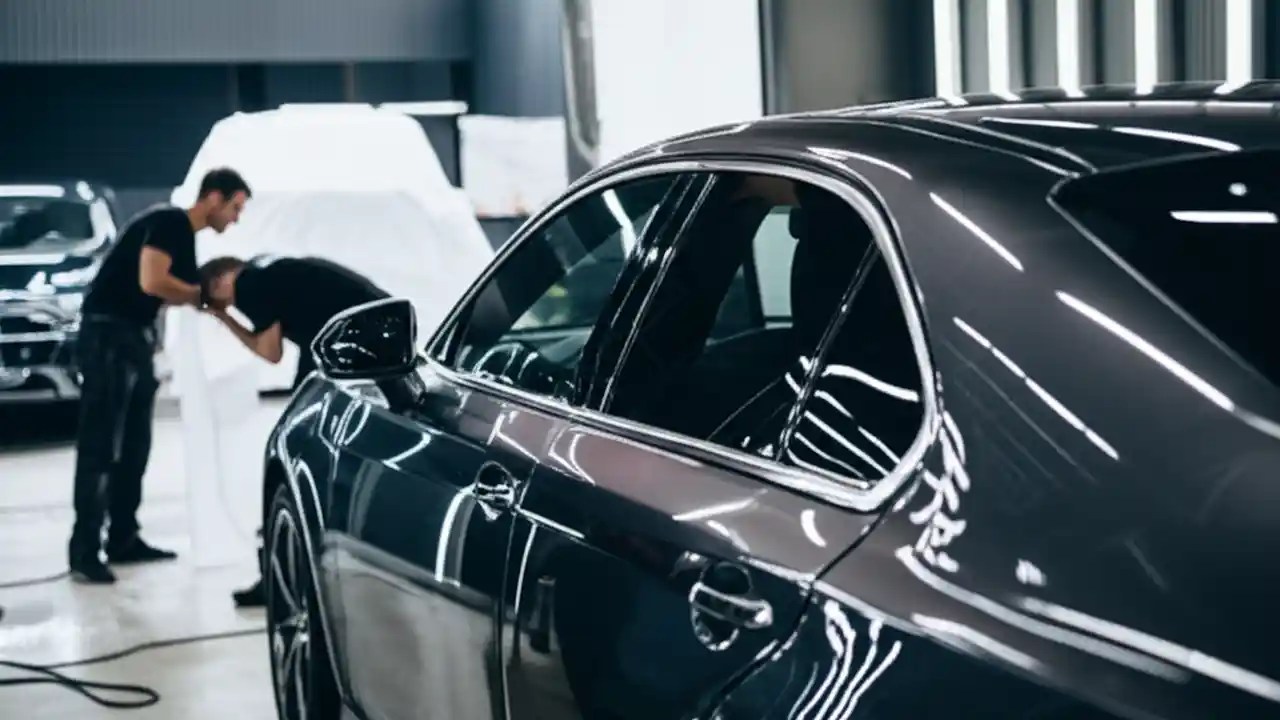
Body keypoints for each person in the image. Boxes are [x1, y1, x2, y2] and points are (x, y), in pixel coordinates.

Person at [70, 168, 251, 584]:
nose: (235, 218)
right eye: (235, 207)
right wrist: (206, 297)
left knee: (134, 446)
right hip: (109, 338)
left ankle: (123, 537)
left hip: (132, 338)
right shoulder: (171, 222)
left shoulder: (180, 235)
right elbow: (152, 281)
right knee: (102, 447)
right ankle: (84, 550)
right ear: (213, 198)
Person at [198, 254, 389, 606]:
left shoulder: (250, 283)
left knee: (297, 455)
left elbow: (268, 351)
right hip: (370, 334)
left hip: (354, 341)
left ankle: (282, 572)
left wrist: (224, 316)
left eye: (216, 298)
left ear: (220, 280)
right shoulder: (275, 276)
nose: (228, 305)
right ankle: (294, 565)